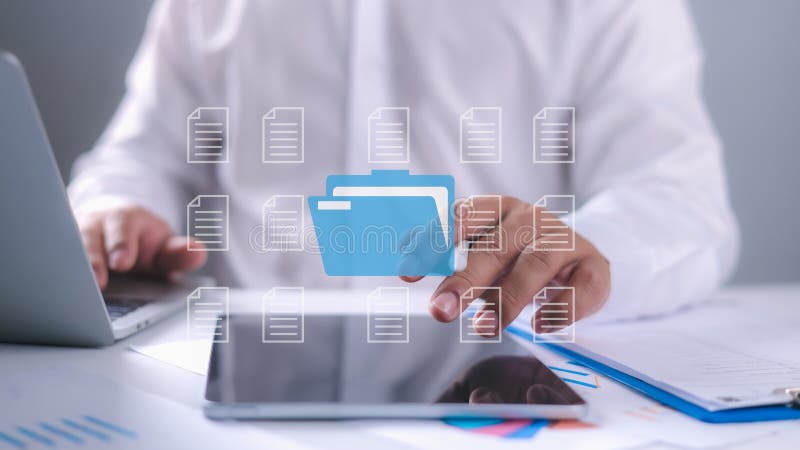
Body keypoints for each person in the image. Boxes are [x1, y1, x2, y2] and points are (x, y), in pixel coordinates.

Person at [68, 0, 738, 336]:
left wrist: (591, 252)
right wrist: (115, 207)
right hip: (229, 369)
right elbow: (143, 151)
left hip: (484, 370)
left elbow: (681, 199)